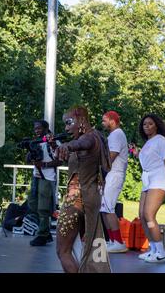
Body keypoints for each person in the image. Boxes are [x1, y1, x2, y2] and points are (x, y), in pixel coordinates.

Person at [55, 106, 111, 273]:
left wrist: (69, 145)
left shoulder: (89, 139)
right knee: (86, 250)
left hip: (76, 200)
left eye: (69, 123)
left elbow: (81, 144)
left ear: (81, 120)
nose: (66, 128)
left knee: (63, 251)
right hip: (89, 199)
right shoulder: (96, 137)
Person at [136, 114, 165, 263]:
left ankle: (162, 252)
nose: (147, 127)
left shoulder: (162, 141)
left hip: (159, 179)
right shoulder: (148, 142)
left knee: (149, 215)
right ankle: (153, 250)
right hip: (147, 179)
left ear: (156, 125)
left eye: (150, 124)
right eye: (145, 124)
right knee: (141, 215)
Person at [27, 120, 62, 246]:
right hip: (36, 176)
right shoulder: (36, 142)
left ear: (46, 128)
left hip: (47, 177)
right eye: (35, 129)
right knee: (32, 203)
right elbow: (28, 158)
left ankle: (42, 235)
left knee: (43, 207)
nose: (36, 131)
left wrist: (45, 164)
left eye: (39, 128)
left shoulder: (54, 142)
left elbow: (60, 161)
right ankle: (45, 232)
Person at [100, 111, 129, 253]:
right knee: (104, 209)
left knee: (109, 208)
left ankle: (118, 242)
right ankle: (112, 240)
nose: (102, 123)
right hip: (111, 174)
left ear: (112, 120)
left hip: (115, 174)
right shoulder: (114, 135)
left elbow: (111, 156)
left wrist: (98, 167)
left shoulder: (117, 134)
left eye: (104, 120)